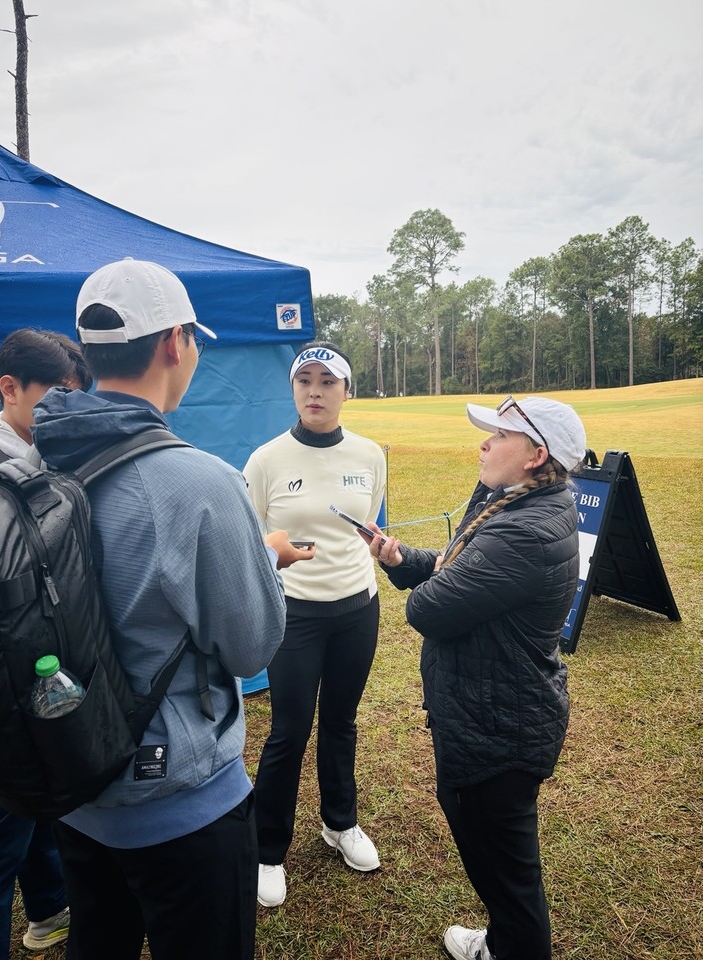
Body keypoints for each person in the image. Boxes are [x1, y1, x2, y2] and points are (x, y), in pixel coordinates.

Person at [29, 259, 311, 960]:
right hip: (182, 801)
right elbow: (251, 648)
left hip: (72, 777)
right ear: (173, 343)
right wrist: (264, 565)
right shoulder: (200, 483)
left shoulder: (32, 466)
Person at [366, 395, 586, 960]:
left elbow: (428, 609)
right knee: (502, 865)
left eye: (498, 436)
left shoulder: (521, 532)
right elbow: (457, 566)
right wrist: (400, 559)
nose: (483, 444)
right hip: (495, 715)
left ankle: (511, 946)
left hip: (497, 731)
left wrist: (432, 574)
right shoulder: (520, 505)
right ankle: (505, 939)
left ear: (536, 455)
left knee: (508, 879)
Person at [243, 341, 386, 908]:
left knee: (342, 722)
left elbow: (365, 522)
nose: (315, 392)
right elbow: (250, 540)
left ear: (347, 391)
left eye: (328, 382)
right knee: (288, 730)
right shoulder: (267, 459)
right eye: (305, 381)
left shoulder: (371, 454)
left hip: (357, 609)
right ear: (293, 390)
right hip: (295, 615)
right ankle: (267, 849)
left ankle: (339, 823)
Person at [0, 328, 92, 958]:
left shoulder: (45, 457)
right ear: (9, 389)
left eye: (74, 399)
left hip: (44, 674)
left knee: (42, 807)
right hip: (0, 688)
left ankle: (49, 909)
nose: (64, 413)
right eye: (53, 397)